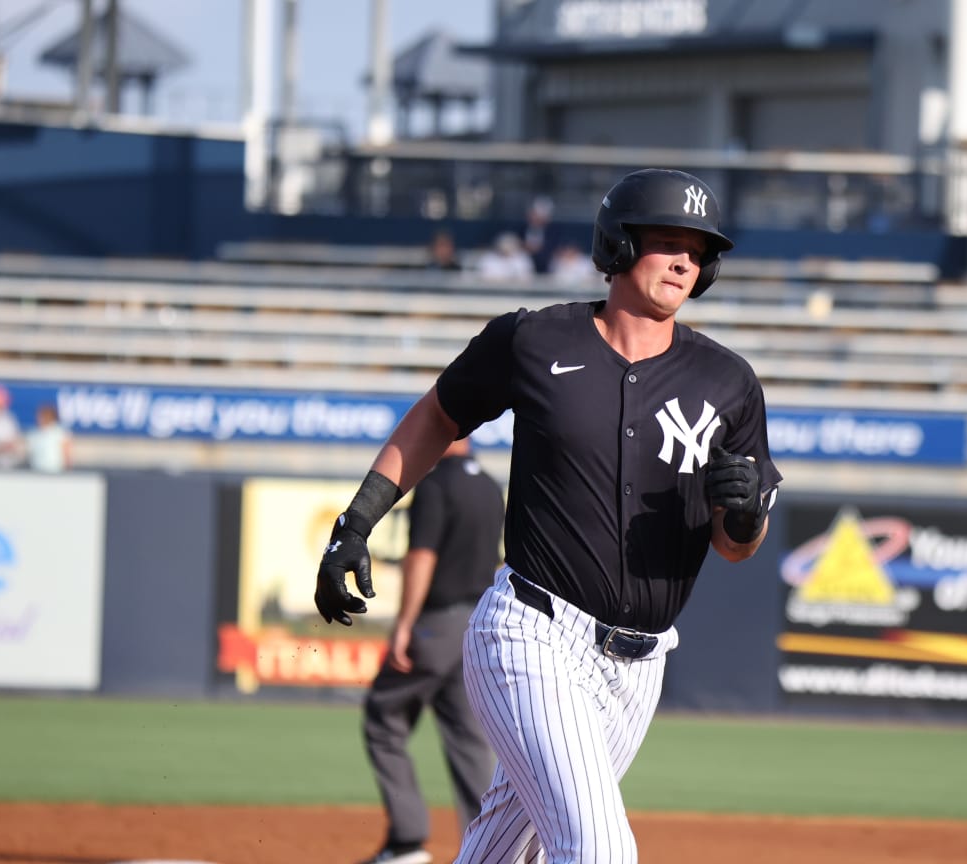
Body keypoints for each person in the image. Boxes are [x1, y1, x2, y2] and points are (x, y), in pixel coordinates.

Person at [315, 168, 782, 863]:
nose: (687, 259)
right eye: (666, 241)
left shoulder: (729, 383)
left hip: (639, 665)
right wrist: (357, 521)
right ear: (619, 247)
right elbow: (436, 418)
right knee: (598, 849)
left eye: (699, 248)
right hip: (533, 632)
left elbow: (736, 546)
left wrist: (744, 521)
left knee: (508, 850)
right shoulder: (535, 341)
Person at [358, 436, 504, 864]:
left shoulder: (437, 485)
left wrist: (404, 624)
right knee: (469, 738)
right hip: (478, 623)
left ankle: (406, 843)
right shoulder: (490, 486)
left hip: (437, 623)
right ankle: (492, 851)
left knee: (384, 716)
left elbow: (421, 557)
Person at [25, 404, 73, 473]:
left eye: (44, 415)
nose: (40, 418)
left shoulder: (61, 432)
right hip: (36, 472)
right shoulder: (33, 433)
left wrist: (67, 472)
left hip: (56, 472)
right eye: (40, 416)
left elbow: (67, 455)